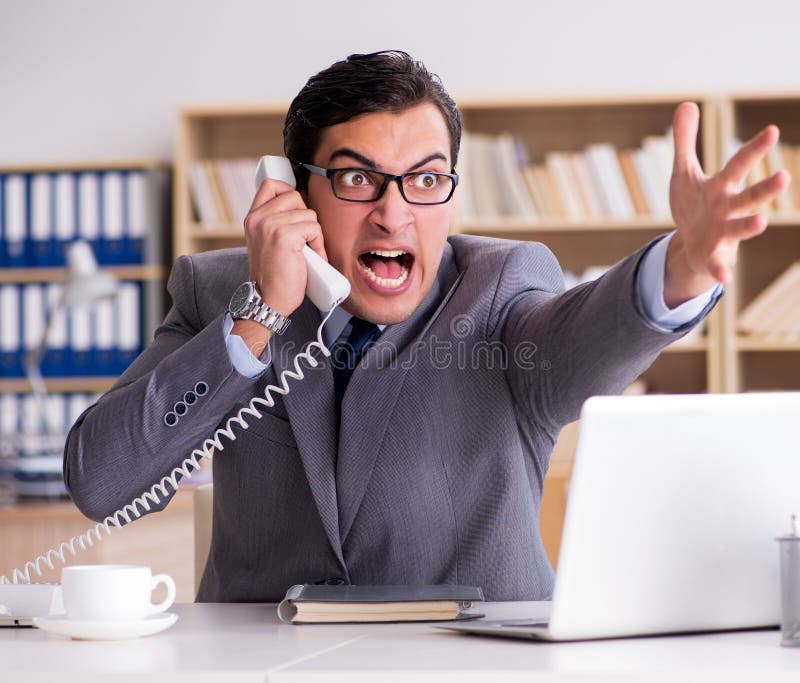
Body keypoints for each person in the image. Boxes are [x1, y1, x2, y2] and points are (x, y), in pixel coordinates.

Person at [64, 51, 789, 602]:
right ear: (291, 189)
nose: (394, 212)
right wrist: (261, 316)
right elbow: (101, 483)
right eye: (356, 178)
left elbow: (588, 335)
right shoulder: (220, 290)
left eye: (426, 178)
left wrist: (682, 267)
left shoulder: (501, 289)